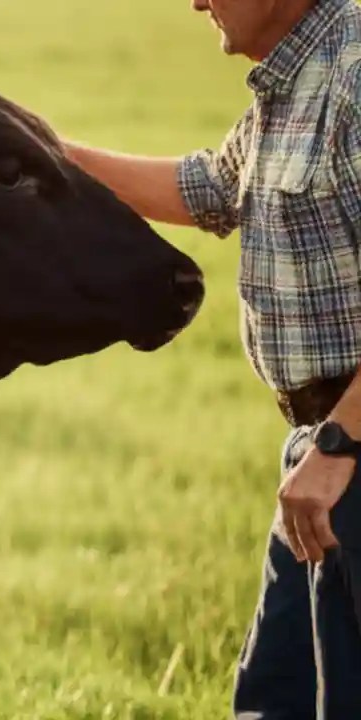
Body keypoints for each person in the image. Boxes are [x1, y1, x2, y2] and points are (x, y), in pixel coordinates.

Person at [62, 0, 361, 716]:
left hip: (344, 450)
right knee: (275, 695)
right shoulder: (292, 83)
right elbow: (207, 188)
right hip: (318, 455)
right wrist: (43, 151)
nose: (195, 1)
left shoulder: (355, 77)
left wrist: (342, 443)